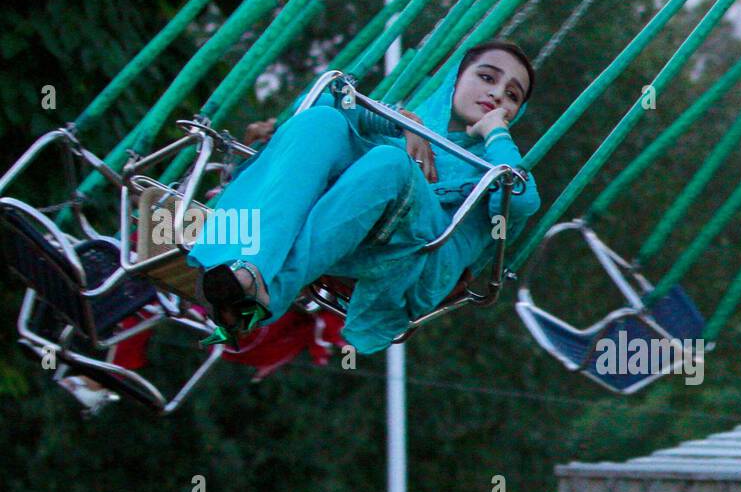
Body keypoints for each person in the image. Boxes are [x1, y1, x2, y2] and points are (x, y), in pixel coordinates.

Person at [187, 40, 542, 352]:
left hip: (421, 260)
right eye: (487, 77)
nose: (497, 94)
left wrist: (495, 134)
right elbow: (309, 103)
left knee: (390, 162)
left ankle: (269, 291)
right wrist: (398, 123)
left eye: (512, 96)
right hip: (348, 228)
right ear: (456, 78)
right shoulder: (408, 121)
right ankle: (249, 270)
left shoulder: (496, 161)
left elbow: (522, 201)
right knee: (323, 121)